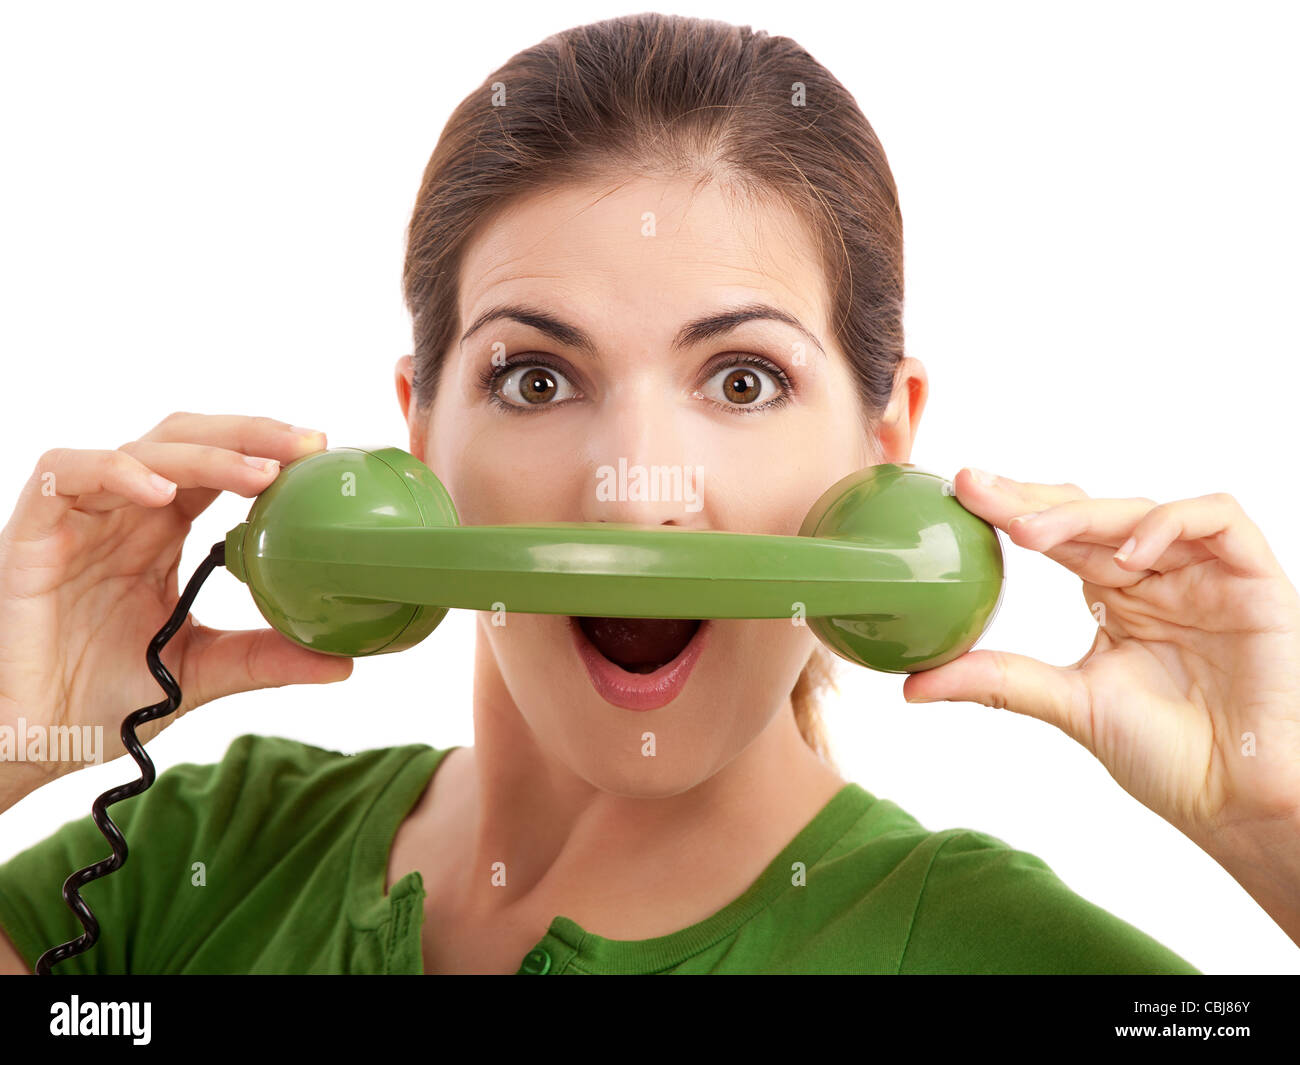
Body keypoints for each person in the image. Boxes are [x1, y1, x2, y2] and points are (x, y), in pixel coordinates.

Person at [1, 13, 1297, 975]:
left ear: (883, 451)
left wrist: (1276, 822)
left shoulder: (986, 951)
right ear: (416, 441)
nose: (635, 499)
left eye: (740, 381)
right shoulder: (186, 855)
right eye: (535, 380)